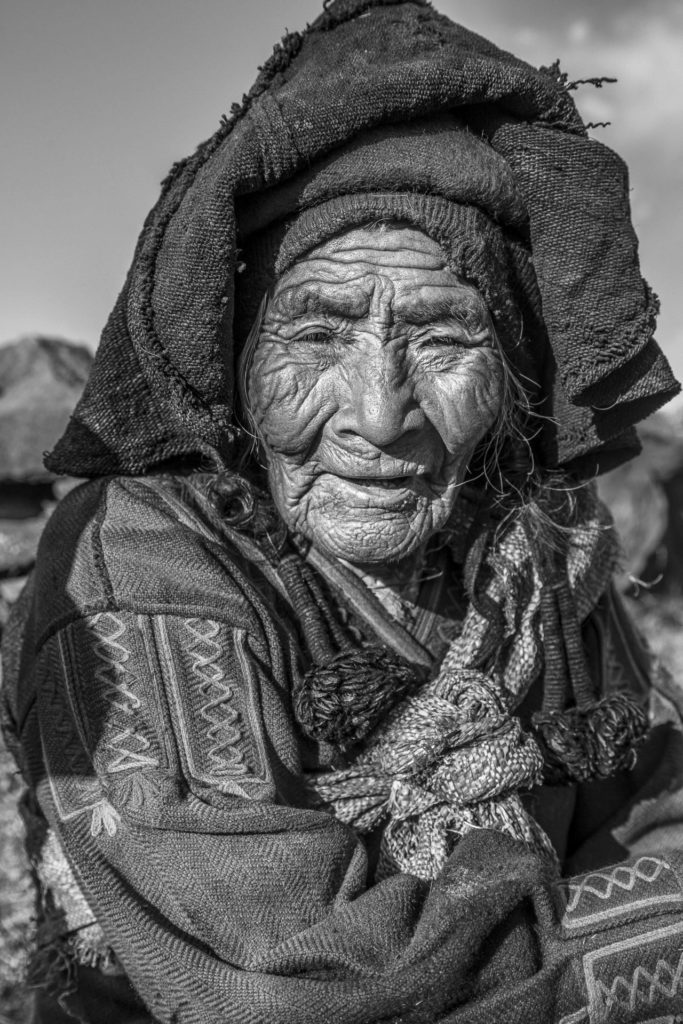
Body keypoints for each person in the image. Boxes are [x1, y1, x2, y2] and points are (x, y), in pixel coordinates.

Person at [3, 1, 683, 1021]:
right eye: (316, 336)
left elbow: (654, 802)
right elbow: (302, 986)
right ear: (232, 365)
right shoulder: (135, 563)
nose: (379, 414)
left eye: (444, 340)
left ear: (512, 378)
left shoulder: (532, 549)